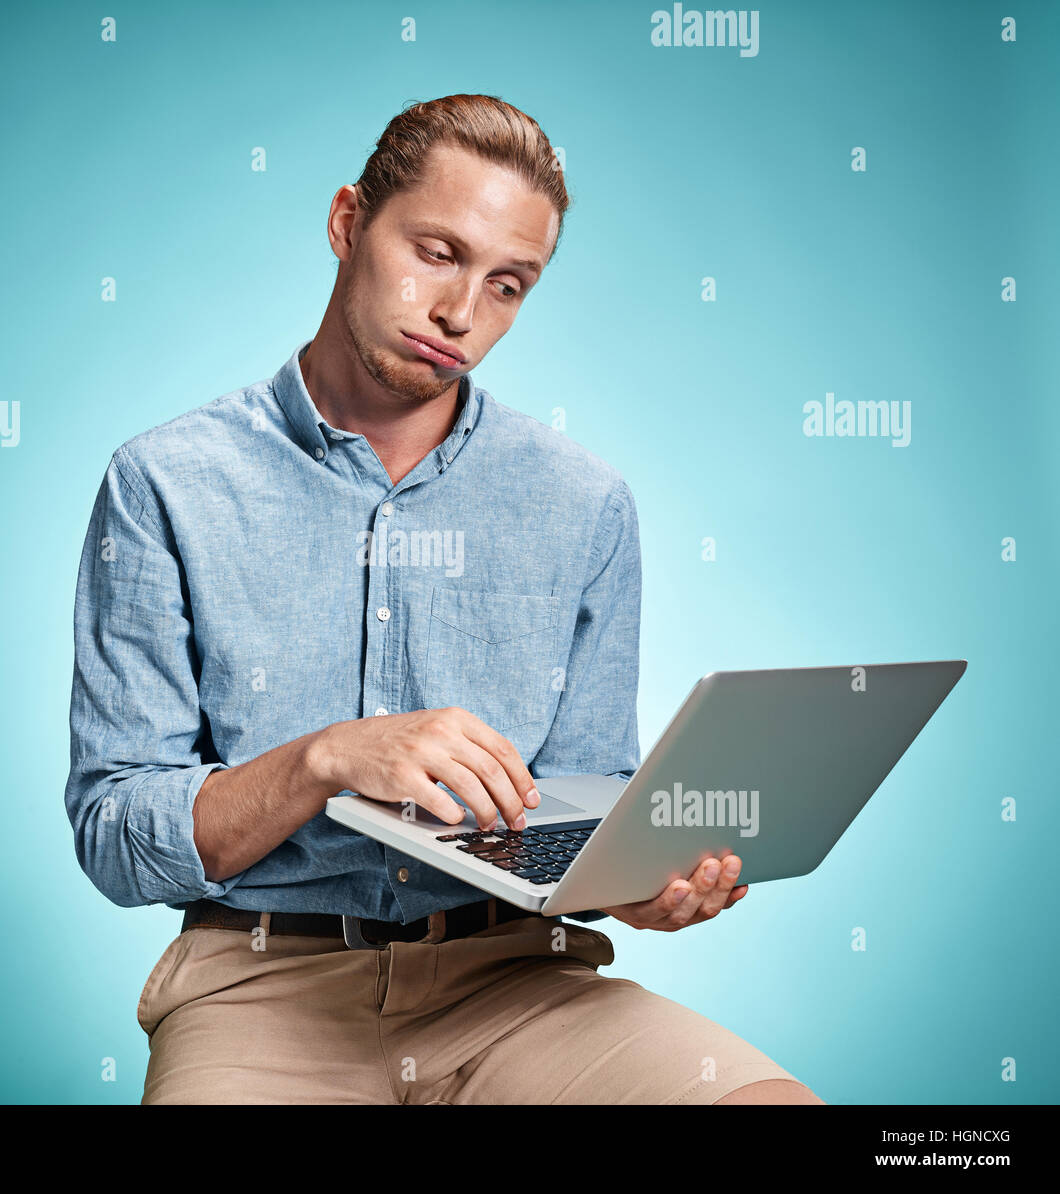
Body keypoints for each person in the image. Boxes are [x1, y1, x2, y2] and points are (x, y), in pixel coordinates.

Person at [64, 93, 823, 1106]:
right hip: (259, 989)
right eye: (437, 253)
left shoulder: (584, 503)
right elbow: (116, 832)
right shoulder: (164, 482)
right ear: (347, 223)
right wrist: (323, 758)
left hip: (518, 984)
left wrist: (639, 886)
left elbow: (583, 798)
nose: (462, 312)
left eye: (507, 283)